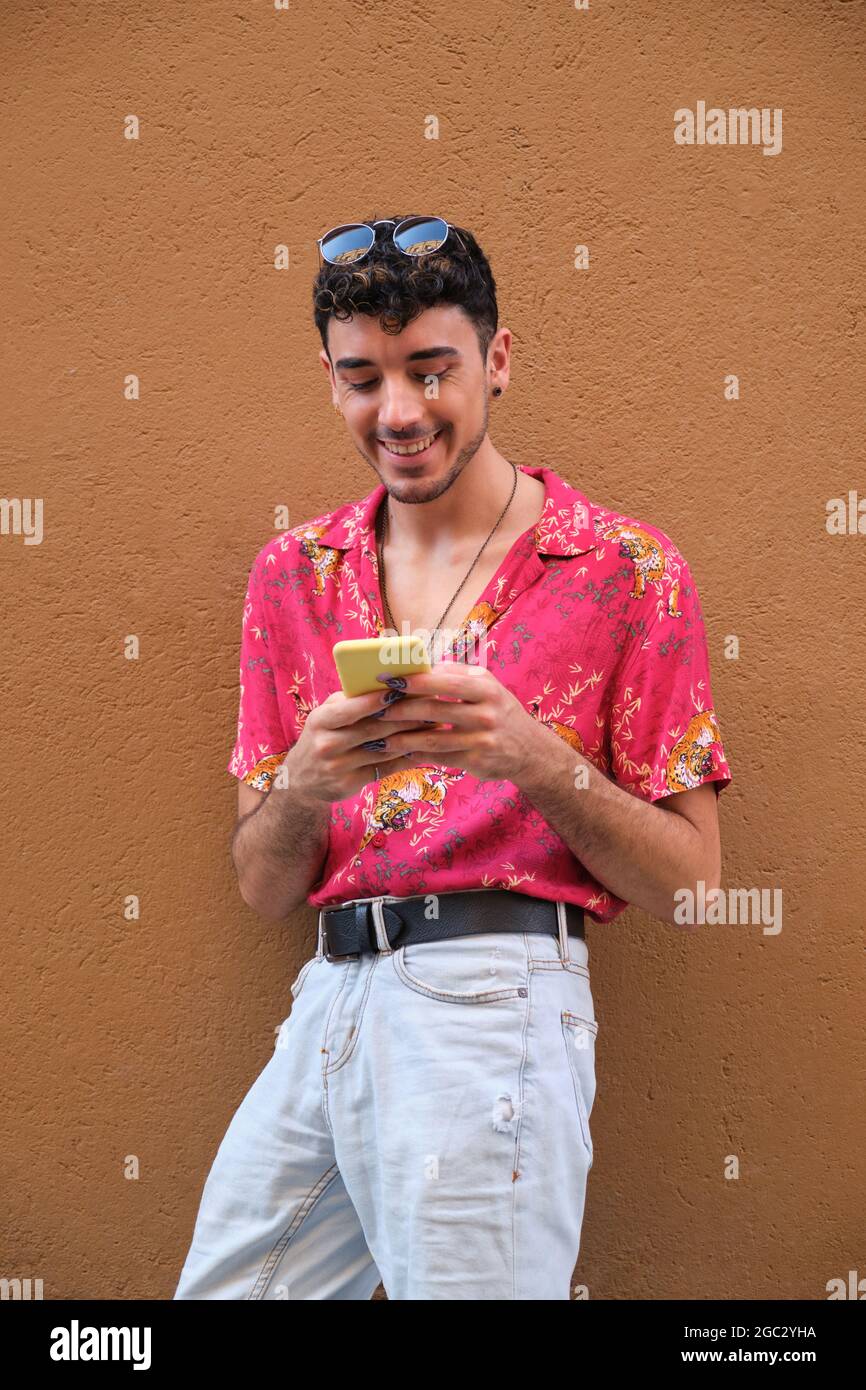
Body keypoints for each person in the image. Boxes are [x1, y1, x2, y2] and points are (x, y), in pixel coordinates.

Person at [173, 214, 733, 1301]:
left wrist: (530, 755)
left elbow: (698, 885)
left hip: (496, 1001)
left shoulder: (622, 569)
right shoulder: (292, 572)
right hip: (326, 996)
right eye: (361, 378)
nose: (397, 412)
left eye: (431, 370)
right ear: (328, 378)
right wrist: (304, 785)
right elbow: (259, 886)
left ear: (498, 360)